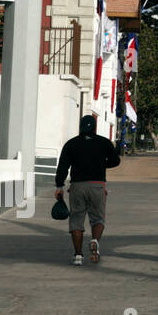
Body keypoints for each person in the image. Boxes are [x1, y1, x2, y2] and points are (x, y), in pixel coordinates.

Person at [55, 114, 121, 266]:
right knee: (98, 218)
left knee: (76, 220)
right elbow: (116, 160)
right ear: (95, 127)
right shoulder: (103, 143)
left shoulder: (71, 144)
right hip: (97, 185)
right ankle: (94, 240)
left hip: (77, 186)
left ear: (80, 127)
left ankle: (78, 255)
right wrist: (101, 164)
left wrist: (59, 186)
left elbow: (63, 167)